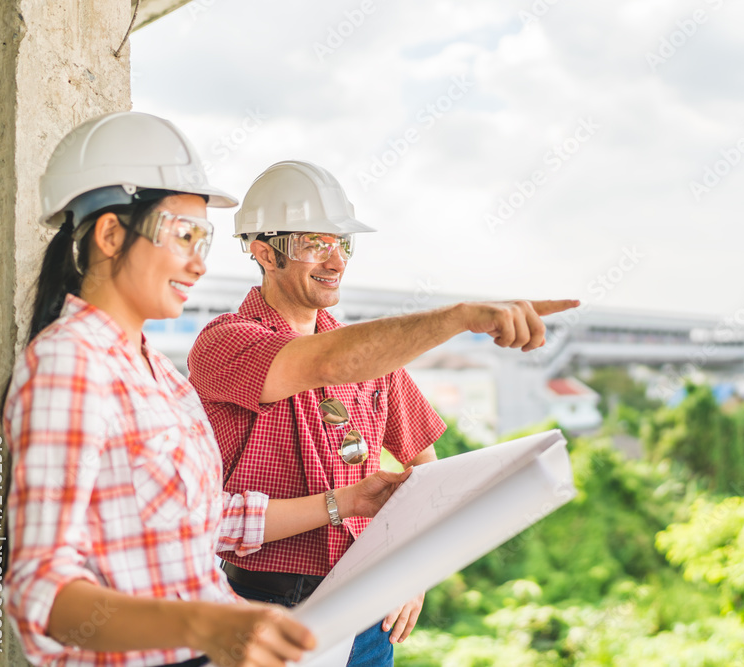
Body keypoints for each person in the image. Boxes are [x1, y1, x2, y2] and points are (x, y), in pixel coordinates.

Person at [3, 114, 412, 667]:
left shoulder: (156, 374)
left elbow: (207, 518)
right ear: (109, 235)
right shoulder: (68, 366)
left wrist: (348, 503)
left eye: (205, 238)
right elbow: (39, 592)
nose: (199, 263)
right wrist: (209, 622)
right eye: (183, 235)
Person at [187, 160, 578, 665]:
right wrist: (460, 317)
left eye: (341, 243)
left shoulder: (373, 358)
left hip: (370, 613)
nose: (335, 261)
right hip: (260, 606)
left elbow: (426, 466)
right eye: (313, 244)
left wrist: (411, 573)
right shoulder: (226, 345)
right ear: (264, 252)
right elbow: (325, 363)